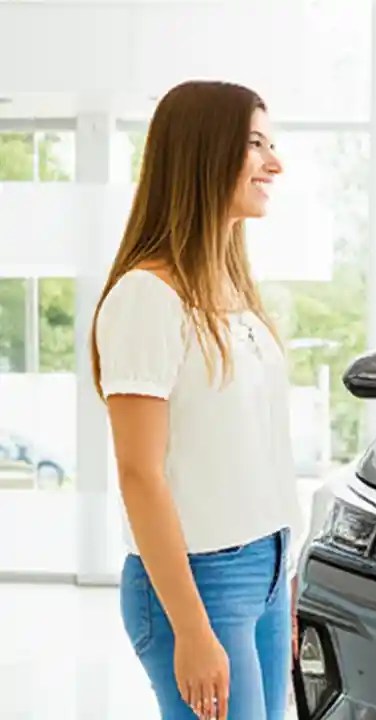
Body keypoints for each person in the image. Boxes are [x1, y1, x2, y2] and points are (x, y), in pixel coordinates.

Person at [91, 80, 300, 720]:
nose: (275, 163)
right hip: (199, 581)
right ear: (204, 154)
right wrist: (191, 628)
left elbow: (258, 452)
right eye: (255, 144)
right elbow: (139, 473)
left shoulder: (236, 295)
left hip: (265, 566)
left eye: (273, 144)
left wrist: (282, 584)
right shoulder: (146, 298)